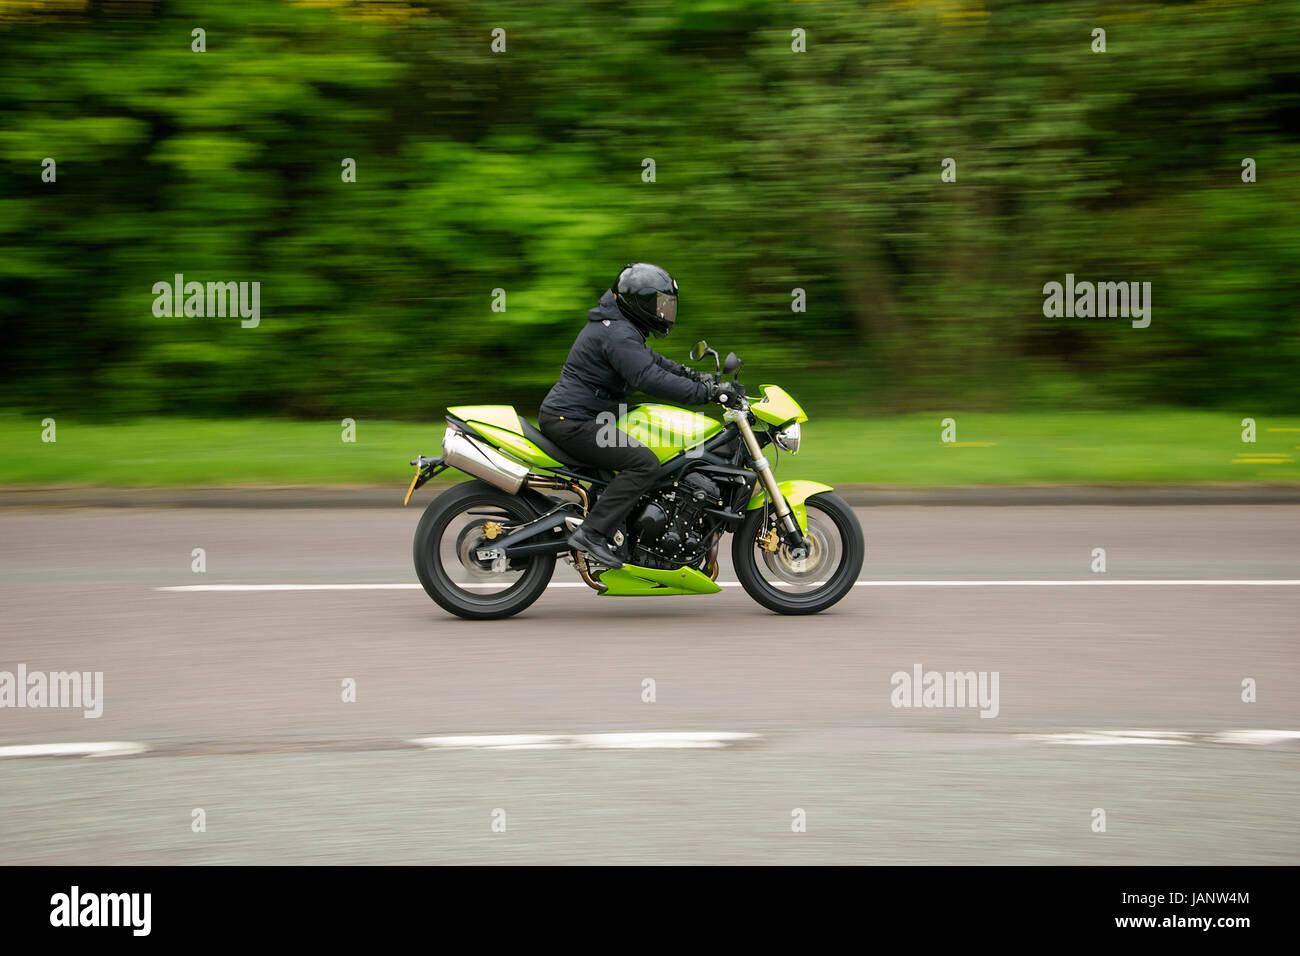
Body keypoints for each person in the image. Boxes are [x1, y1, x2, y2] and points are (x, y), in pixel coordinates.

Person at [539, 263, 725, 569]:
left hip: (588, 415)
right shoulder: (617, 333)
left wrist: (695, 376)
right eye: (661, 304)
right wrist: (704, 394)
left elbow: (654, 361)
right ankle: (592, 534)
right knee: (644, 464)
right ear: (640, 303)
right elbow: (648, 377)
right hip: (574, 421)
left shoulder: (620, 327)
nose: (666, 311)